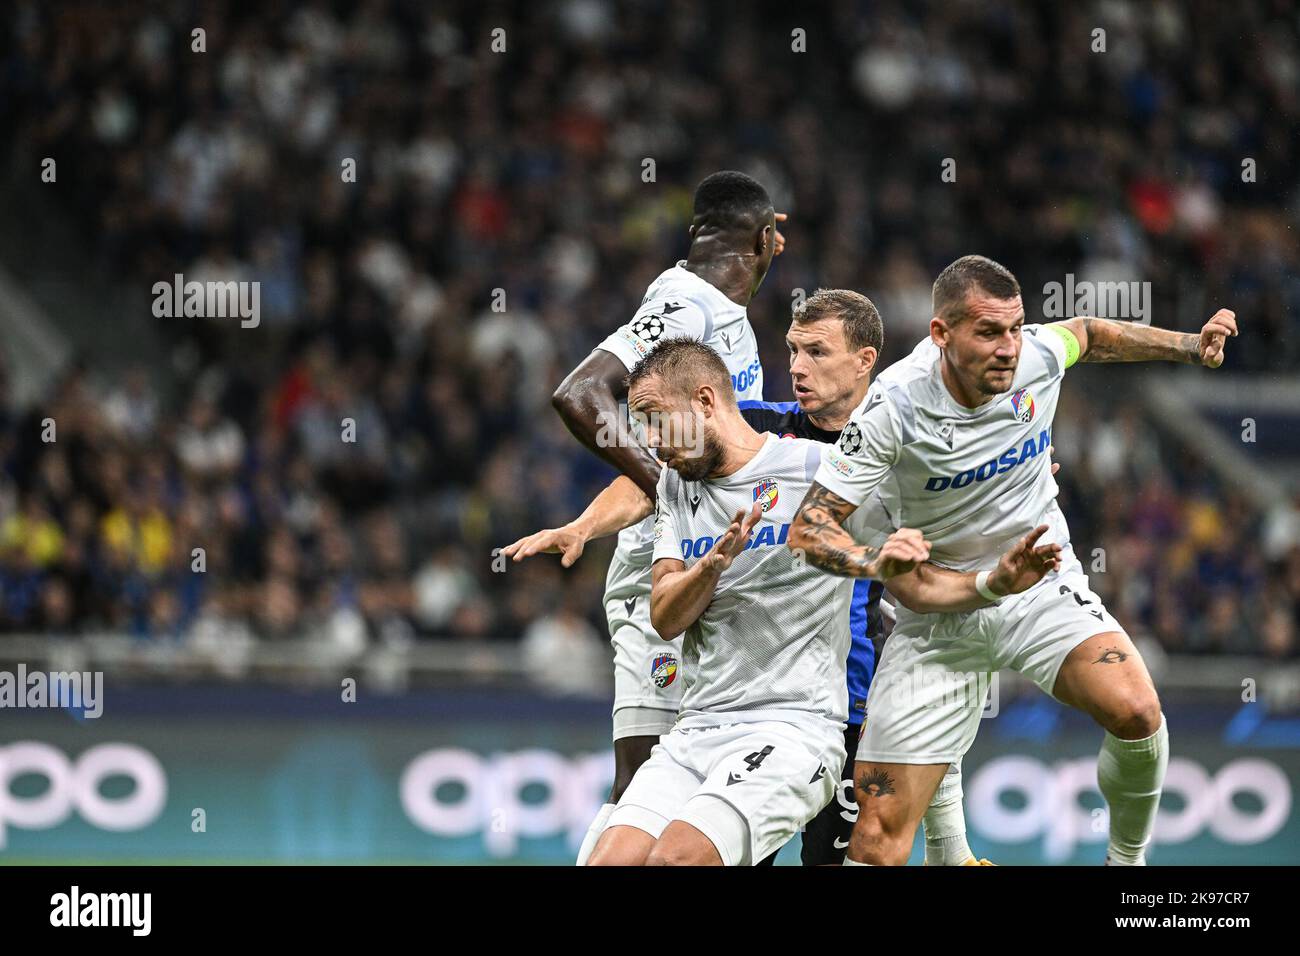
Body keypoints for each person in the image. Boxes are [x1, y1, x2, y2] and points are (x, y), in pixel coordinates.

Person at [787, 254, 1238, 866]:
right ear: (941, 335)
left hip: (1038, 582)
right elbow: (810, 529)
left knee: (1136, 710)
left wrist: (1190, 345)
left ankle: (1126, 866)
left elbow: (1092, 332)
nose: (1008, 348)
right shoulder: (893, 408)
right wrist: (879, 565)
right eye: (988, 332)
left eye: (1015, 328)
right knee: (876, 839)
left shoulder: (1036, 355)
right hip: (938, 613)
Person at [587, 338, 1060, 865]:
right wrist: (709, 569)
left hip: (794, 728)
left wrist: (1008, 500)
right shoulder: (675, 487)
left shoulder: (821, 470)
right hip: (695, 729)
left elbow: (934, 518)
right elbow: (665, 617)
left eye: (655, 420)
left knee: (676, 860)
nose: (649, 442)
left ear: (703, 401)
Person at [549, 171, 783, 863]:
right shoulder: (687, 302)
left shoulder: (723, 318)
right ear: (766, 241)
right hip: (663, 579)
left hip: (705, 582)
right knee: (649, 779)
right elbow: (581, 391)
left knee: (722, 792)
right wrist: (673, 490)